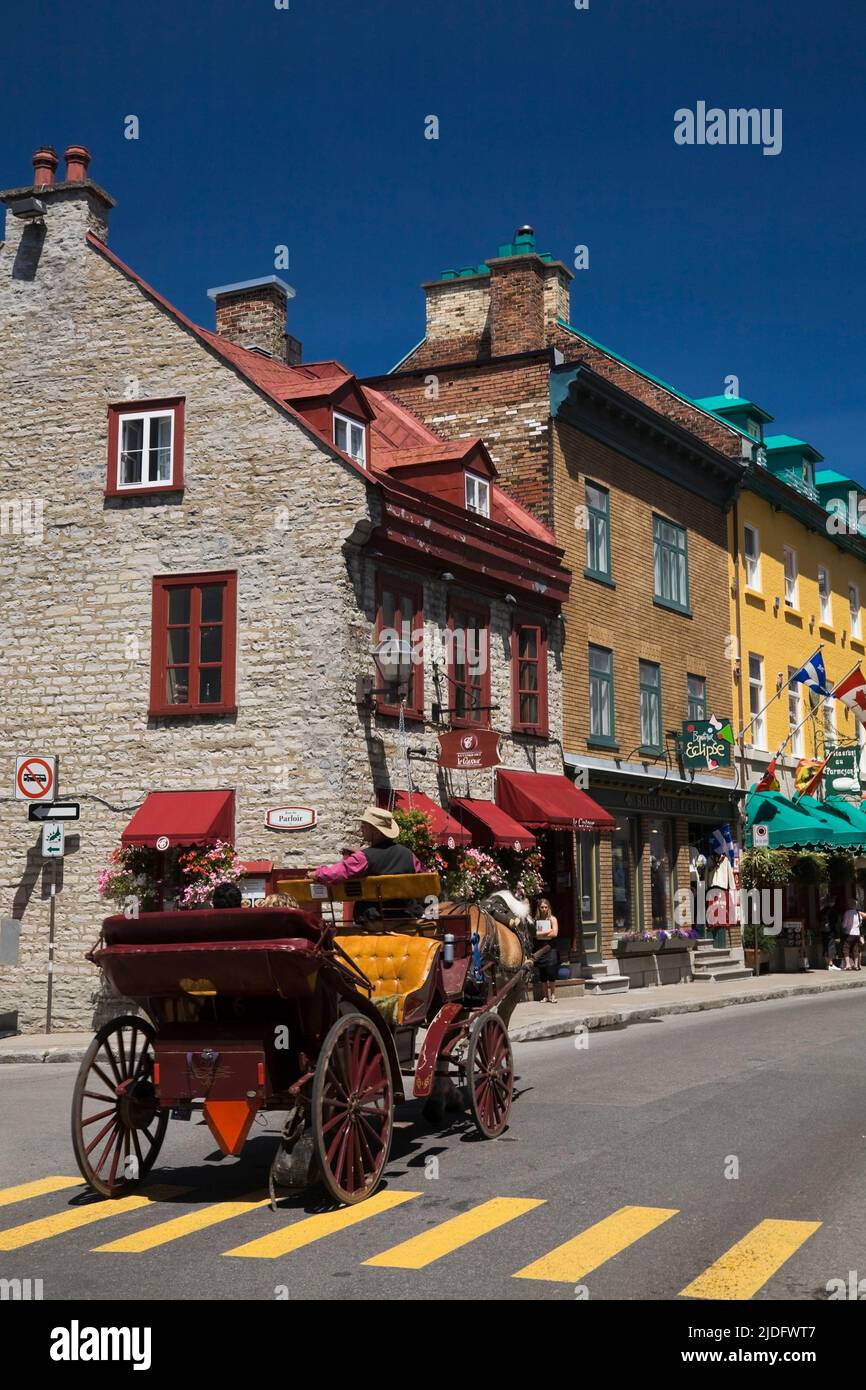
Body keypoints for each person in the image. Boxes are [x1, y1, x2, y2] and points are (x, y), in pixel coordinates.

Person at [313, 806, 424, 922]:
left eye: (364, 826)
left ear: (376, 831)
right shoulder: (409, 855)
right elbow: (425, 879)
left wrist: (316, 873)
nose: (361, 829)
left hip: (374, 918)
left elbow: (333, 874)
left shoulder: (363, 858)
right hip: (405, 916)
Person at [532, 896, 559, 1004]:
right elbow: (534, 935)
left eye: (545, 907)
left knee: (551, 972)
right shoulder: (536, 920)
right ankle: (545, 996)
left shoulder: (552, 919)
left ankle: (553, 995)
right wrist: (547, 932)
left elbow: (555, 933)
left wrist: (540, 934)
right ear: (539, 908)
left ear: (548, 908)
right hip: (540, 948)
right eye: (542, 907)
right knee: (542, 973)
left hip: (550, 947)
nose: (544, 909)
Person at [819, 899, 841, 971]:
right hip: (830, 931)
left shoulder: (822, 910)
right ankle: (830, 964)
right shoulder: (833, 911)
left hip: (823, 931)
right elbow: (836, 921)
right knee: (831, 947)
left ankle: (827, 964)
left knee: (825, 947)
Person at [841, 899, 863, 971]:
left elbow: (844, 925)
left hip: (849, 933)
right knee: (856, 949)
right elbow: (860, 923)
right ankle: (856, 965)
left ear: (850, 905)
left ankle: (848, 964)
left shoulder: (847, 913)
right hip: (857, 933)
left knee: (846, 948)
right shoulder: (858, 913)